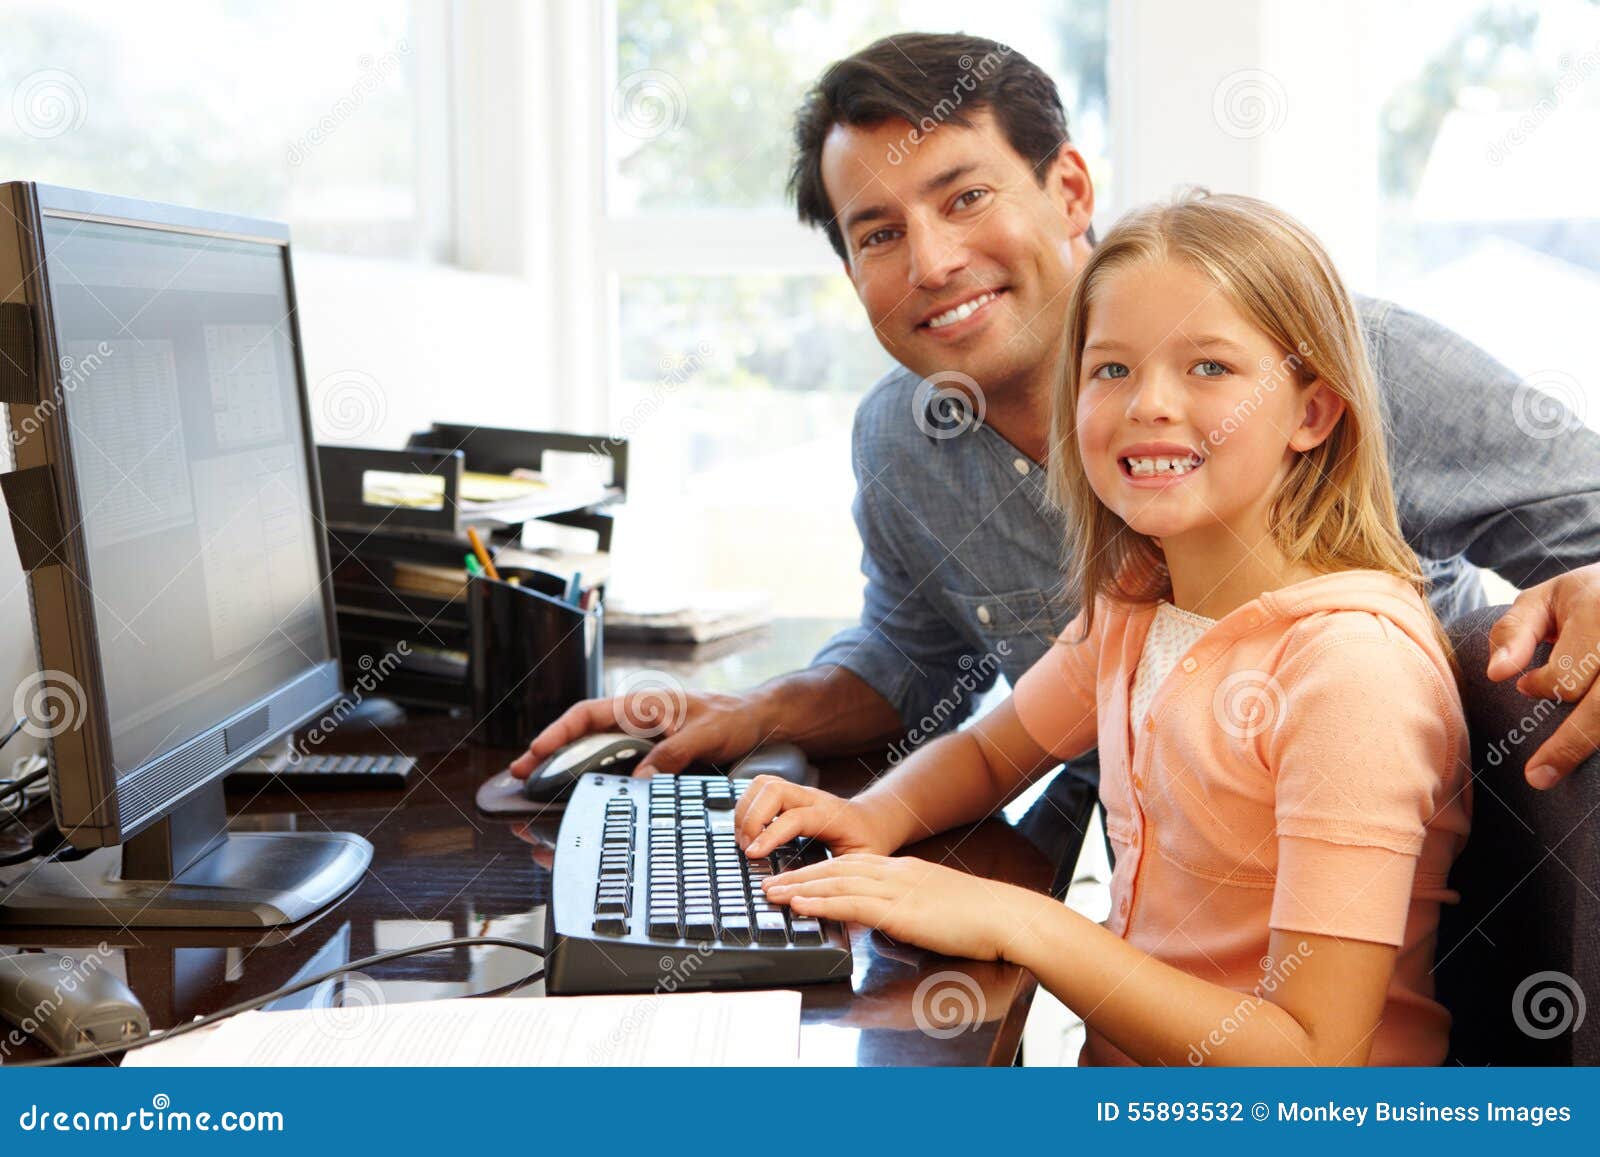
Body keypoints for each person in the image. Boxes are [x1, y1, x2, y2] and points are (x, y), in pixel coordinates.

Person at [511, 33, 1600, 891]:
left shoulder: (1312, 355)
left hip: (1441, 911)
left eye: (965, 195)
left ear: (1070, 190)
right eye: (877, 233)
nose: (933, 260)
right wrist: (753, 711)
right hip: (1164, 929)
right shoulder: (905, 437)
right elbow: (913, 660)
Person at [736, 192, 1471, 1066]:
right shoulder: (1136, 600)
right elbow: (991, 752)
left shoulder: (1351, 673)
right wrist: (870, 816)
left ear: (1310, 414)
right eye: (1111, 369)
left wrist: (1025, 922)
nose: (1147, 404)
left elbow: (1313, 1061)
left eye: (1208, 368)